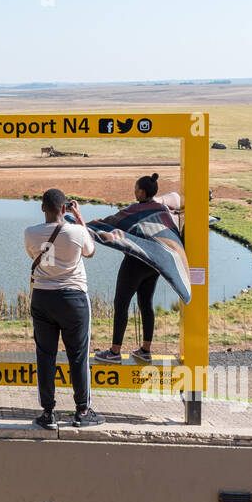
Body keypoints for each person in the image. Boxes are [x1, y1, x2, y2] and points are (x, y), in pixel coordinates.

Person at [24, 188, 105, 429]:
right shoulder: (77, 231)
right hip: (74, 300)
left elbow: (34, 254)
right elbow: (91, 251)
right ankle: (82, 410)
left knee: (45, 356)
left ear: (42, 208)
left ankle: (48, 413)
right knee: (78, 356)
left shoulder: (30, 233)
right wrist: (79, 216)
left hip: (42, 298)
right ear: (64, 209)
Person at [93, 173, 164, 364]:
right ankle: (145, 350)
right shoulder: (162, 209)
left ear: (142, 192)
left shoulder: (134, 209)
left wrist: (88, 225)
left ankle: (115, 352)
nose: (134, 191)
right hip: (154, 263)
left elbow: (112, 220)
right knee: (146, 304)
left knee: (121, 303)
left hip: (135, 262)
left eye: (136, 189)